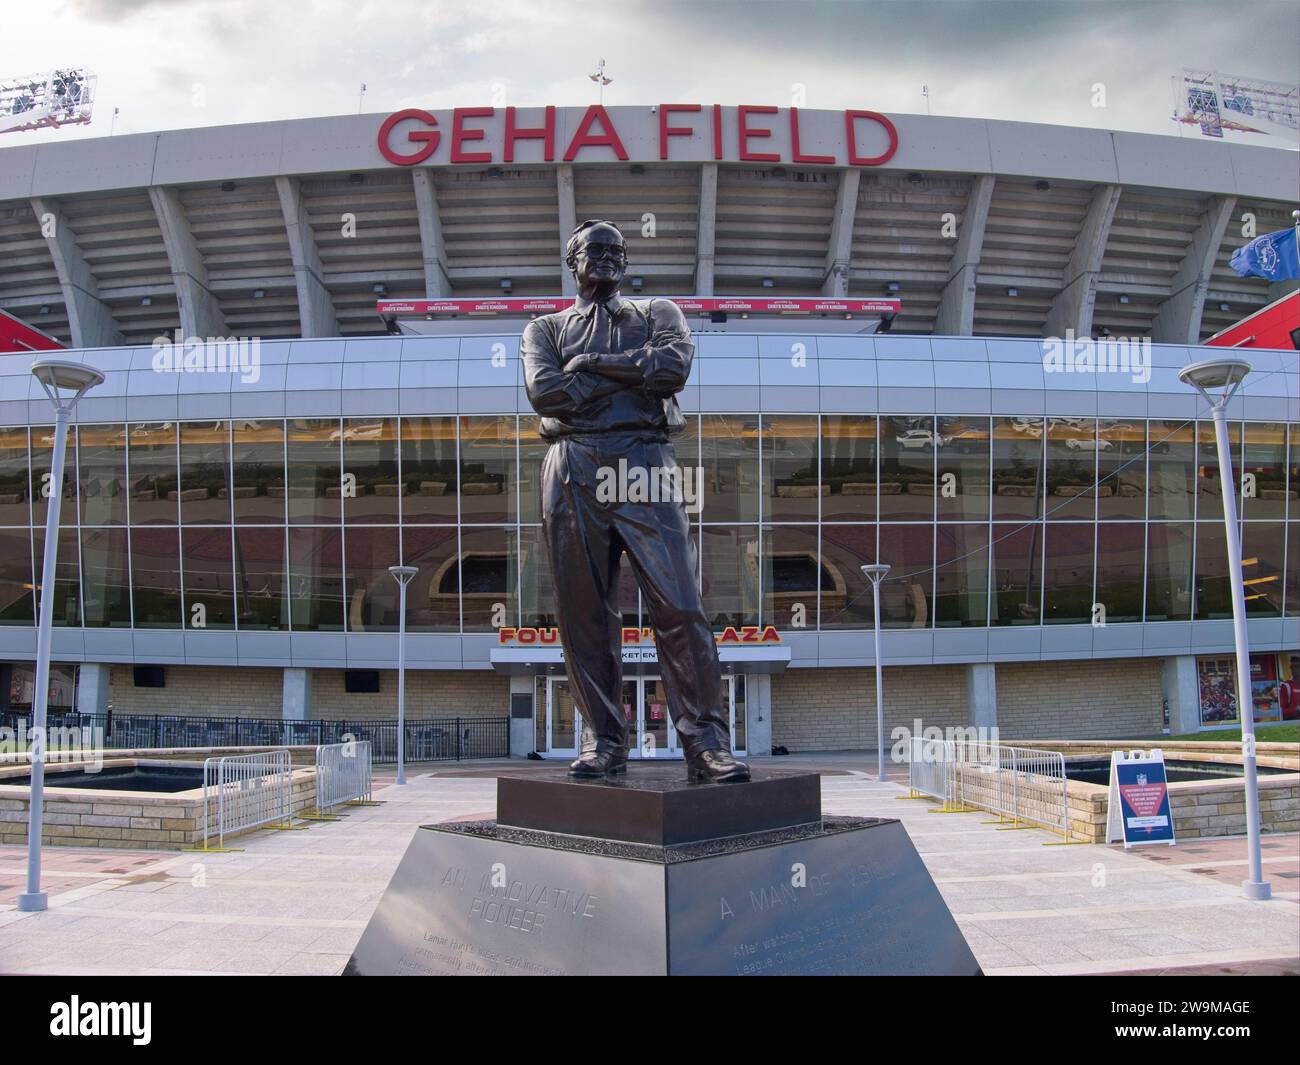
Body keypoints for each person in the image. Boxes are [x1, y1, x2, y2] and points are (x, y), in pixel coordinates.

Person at [520, 219, 749, 784]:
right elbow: (546, 394)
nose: (606, 259)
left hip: (644, 461)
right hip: (572, 465)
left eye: (615, 251)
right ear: (572, 260)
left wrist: (592, 366)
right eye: (594, 250)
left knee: (679, 603)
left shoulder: (659, 314)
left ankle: (705, 745)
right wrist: (632, 379)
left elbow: (672, 370)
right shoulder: (543, 329)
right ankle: (603, 742)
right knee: (585, 615)